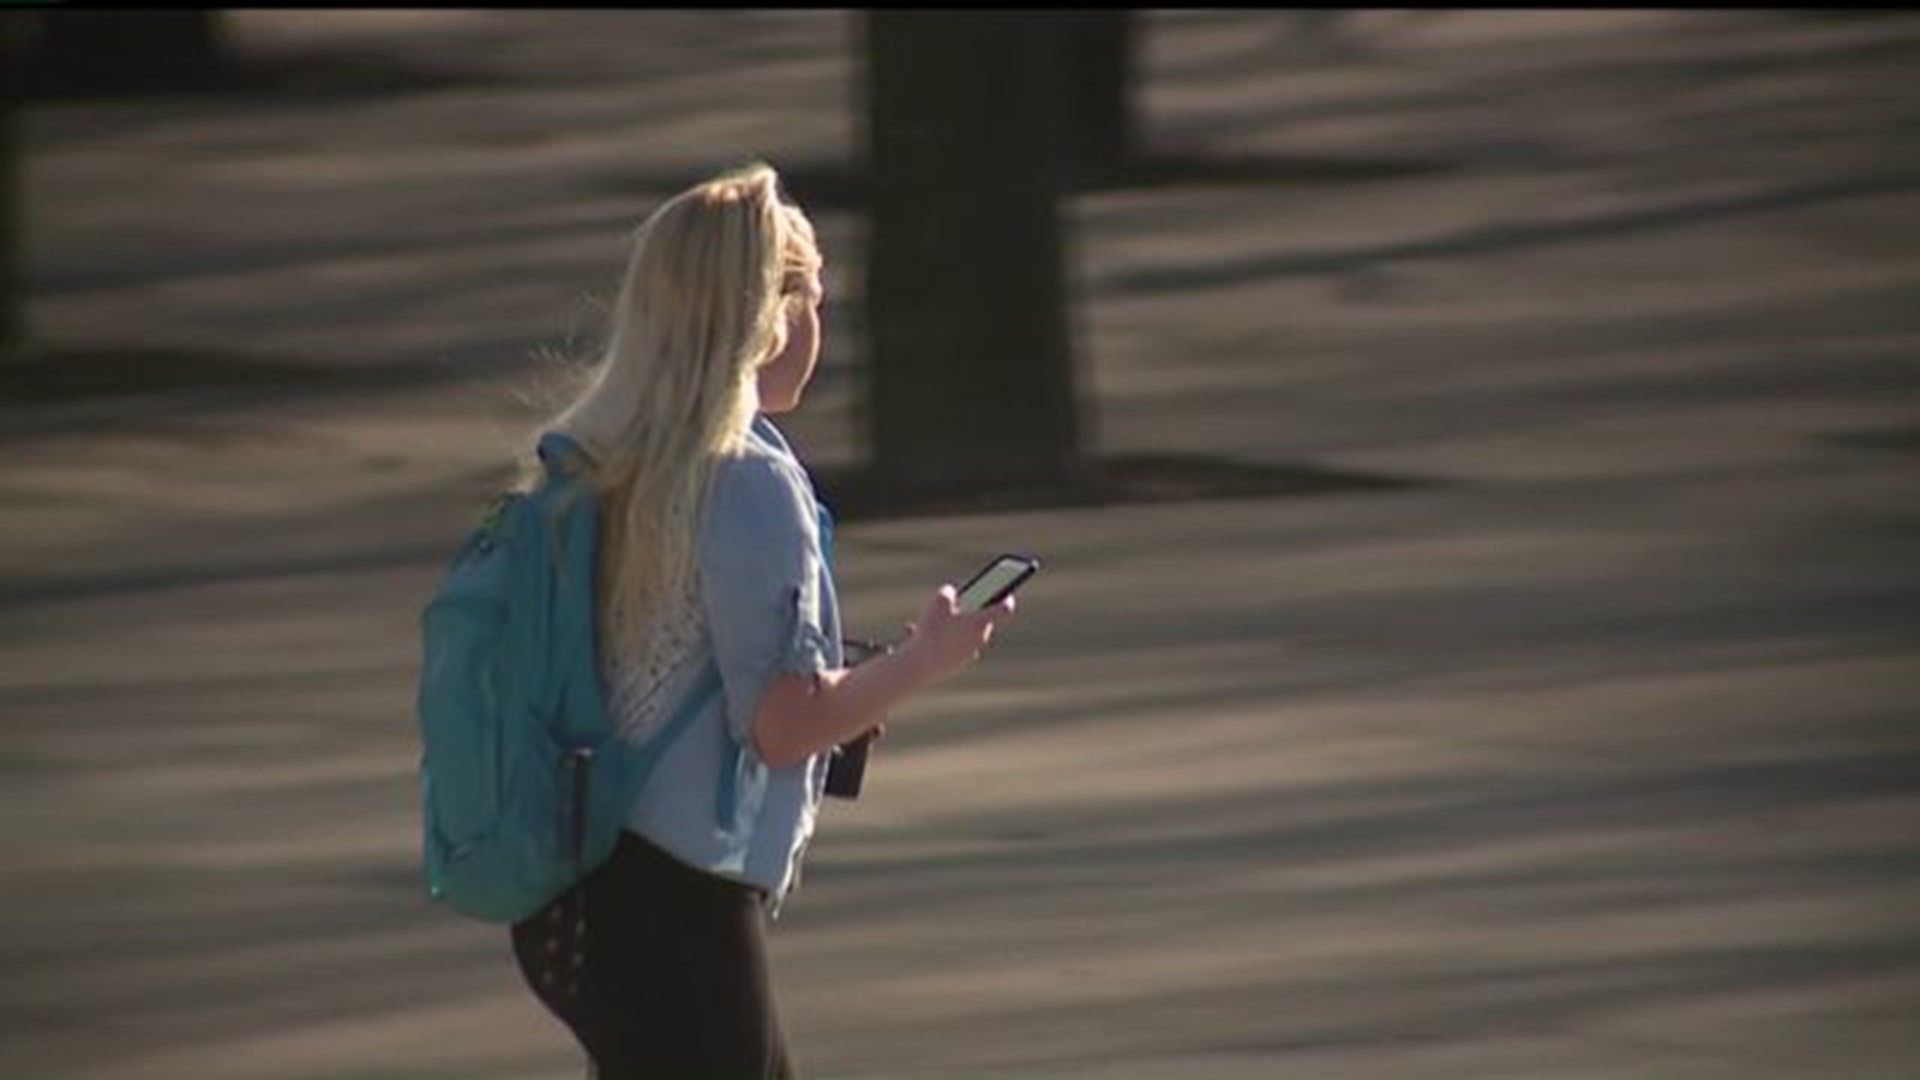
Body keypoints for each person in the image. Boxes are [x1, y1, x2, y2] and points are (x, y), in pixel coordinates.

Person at [506, 162, 1015, 1079]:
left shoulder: (619, 458)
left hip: (585, 881)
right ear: (765, 315)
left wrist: (858, 689)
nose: (820, 325)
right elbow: (779, 724)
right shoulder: (746, 480)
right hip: (677, 898)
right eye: (811, 296)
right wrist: (924, 660)